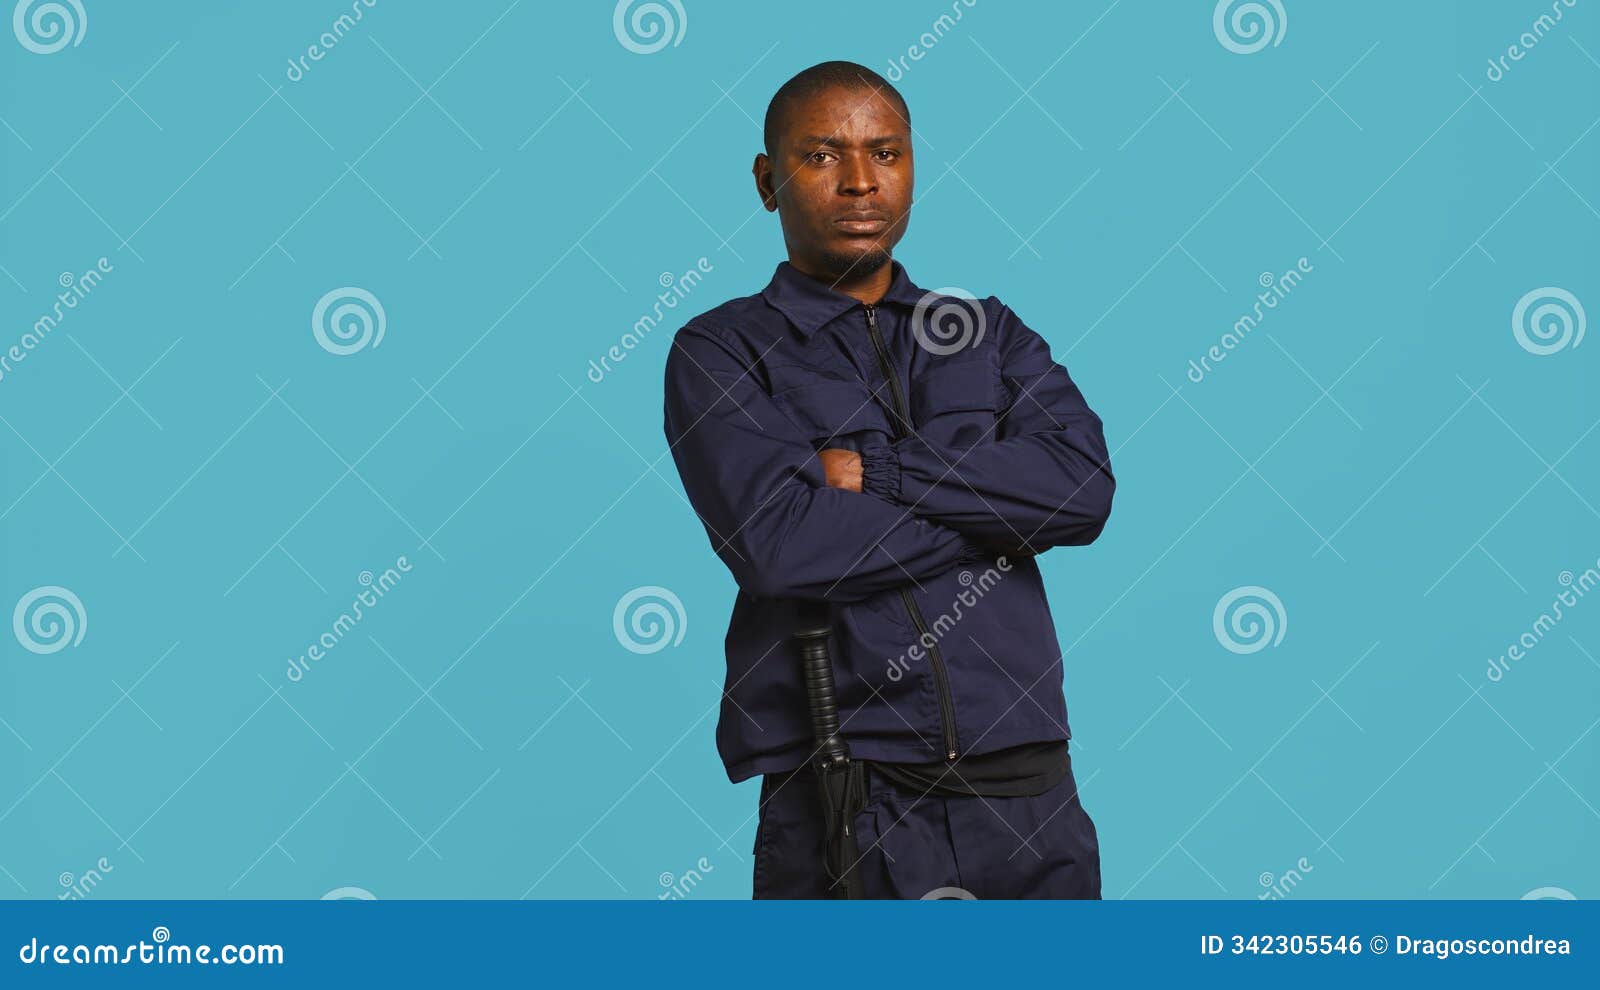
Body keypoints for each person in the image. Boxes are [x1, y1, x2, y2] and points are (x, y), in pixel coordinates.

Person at [661, 61, 1116, 899]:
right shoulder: (719, 351)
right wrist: (995, 507)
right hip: (842, 791)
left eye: (888, 153)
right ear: (768, 181)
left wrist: (871, 473)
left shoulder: (987, 333)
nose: (862, 181)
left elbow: (1079, 490)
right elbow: (783, 548)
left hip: (1027, 791)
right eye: (823, 156)